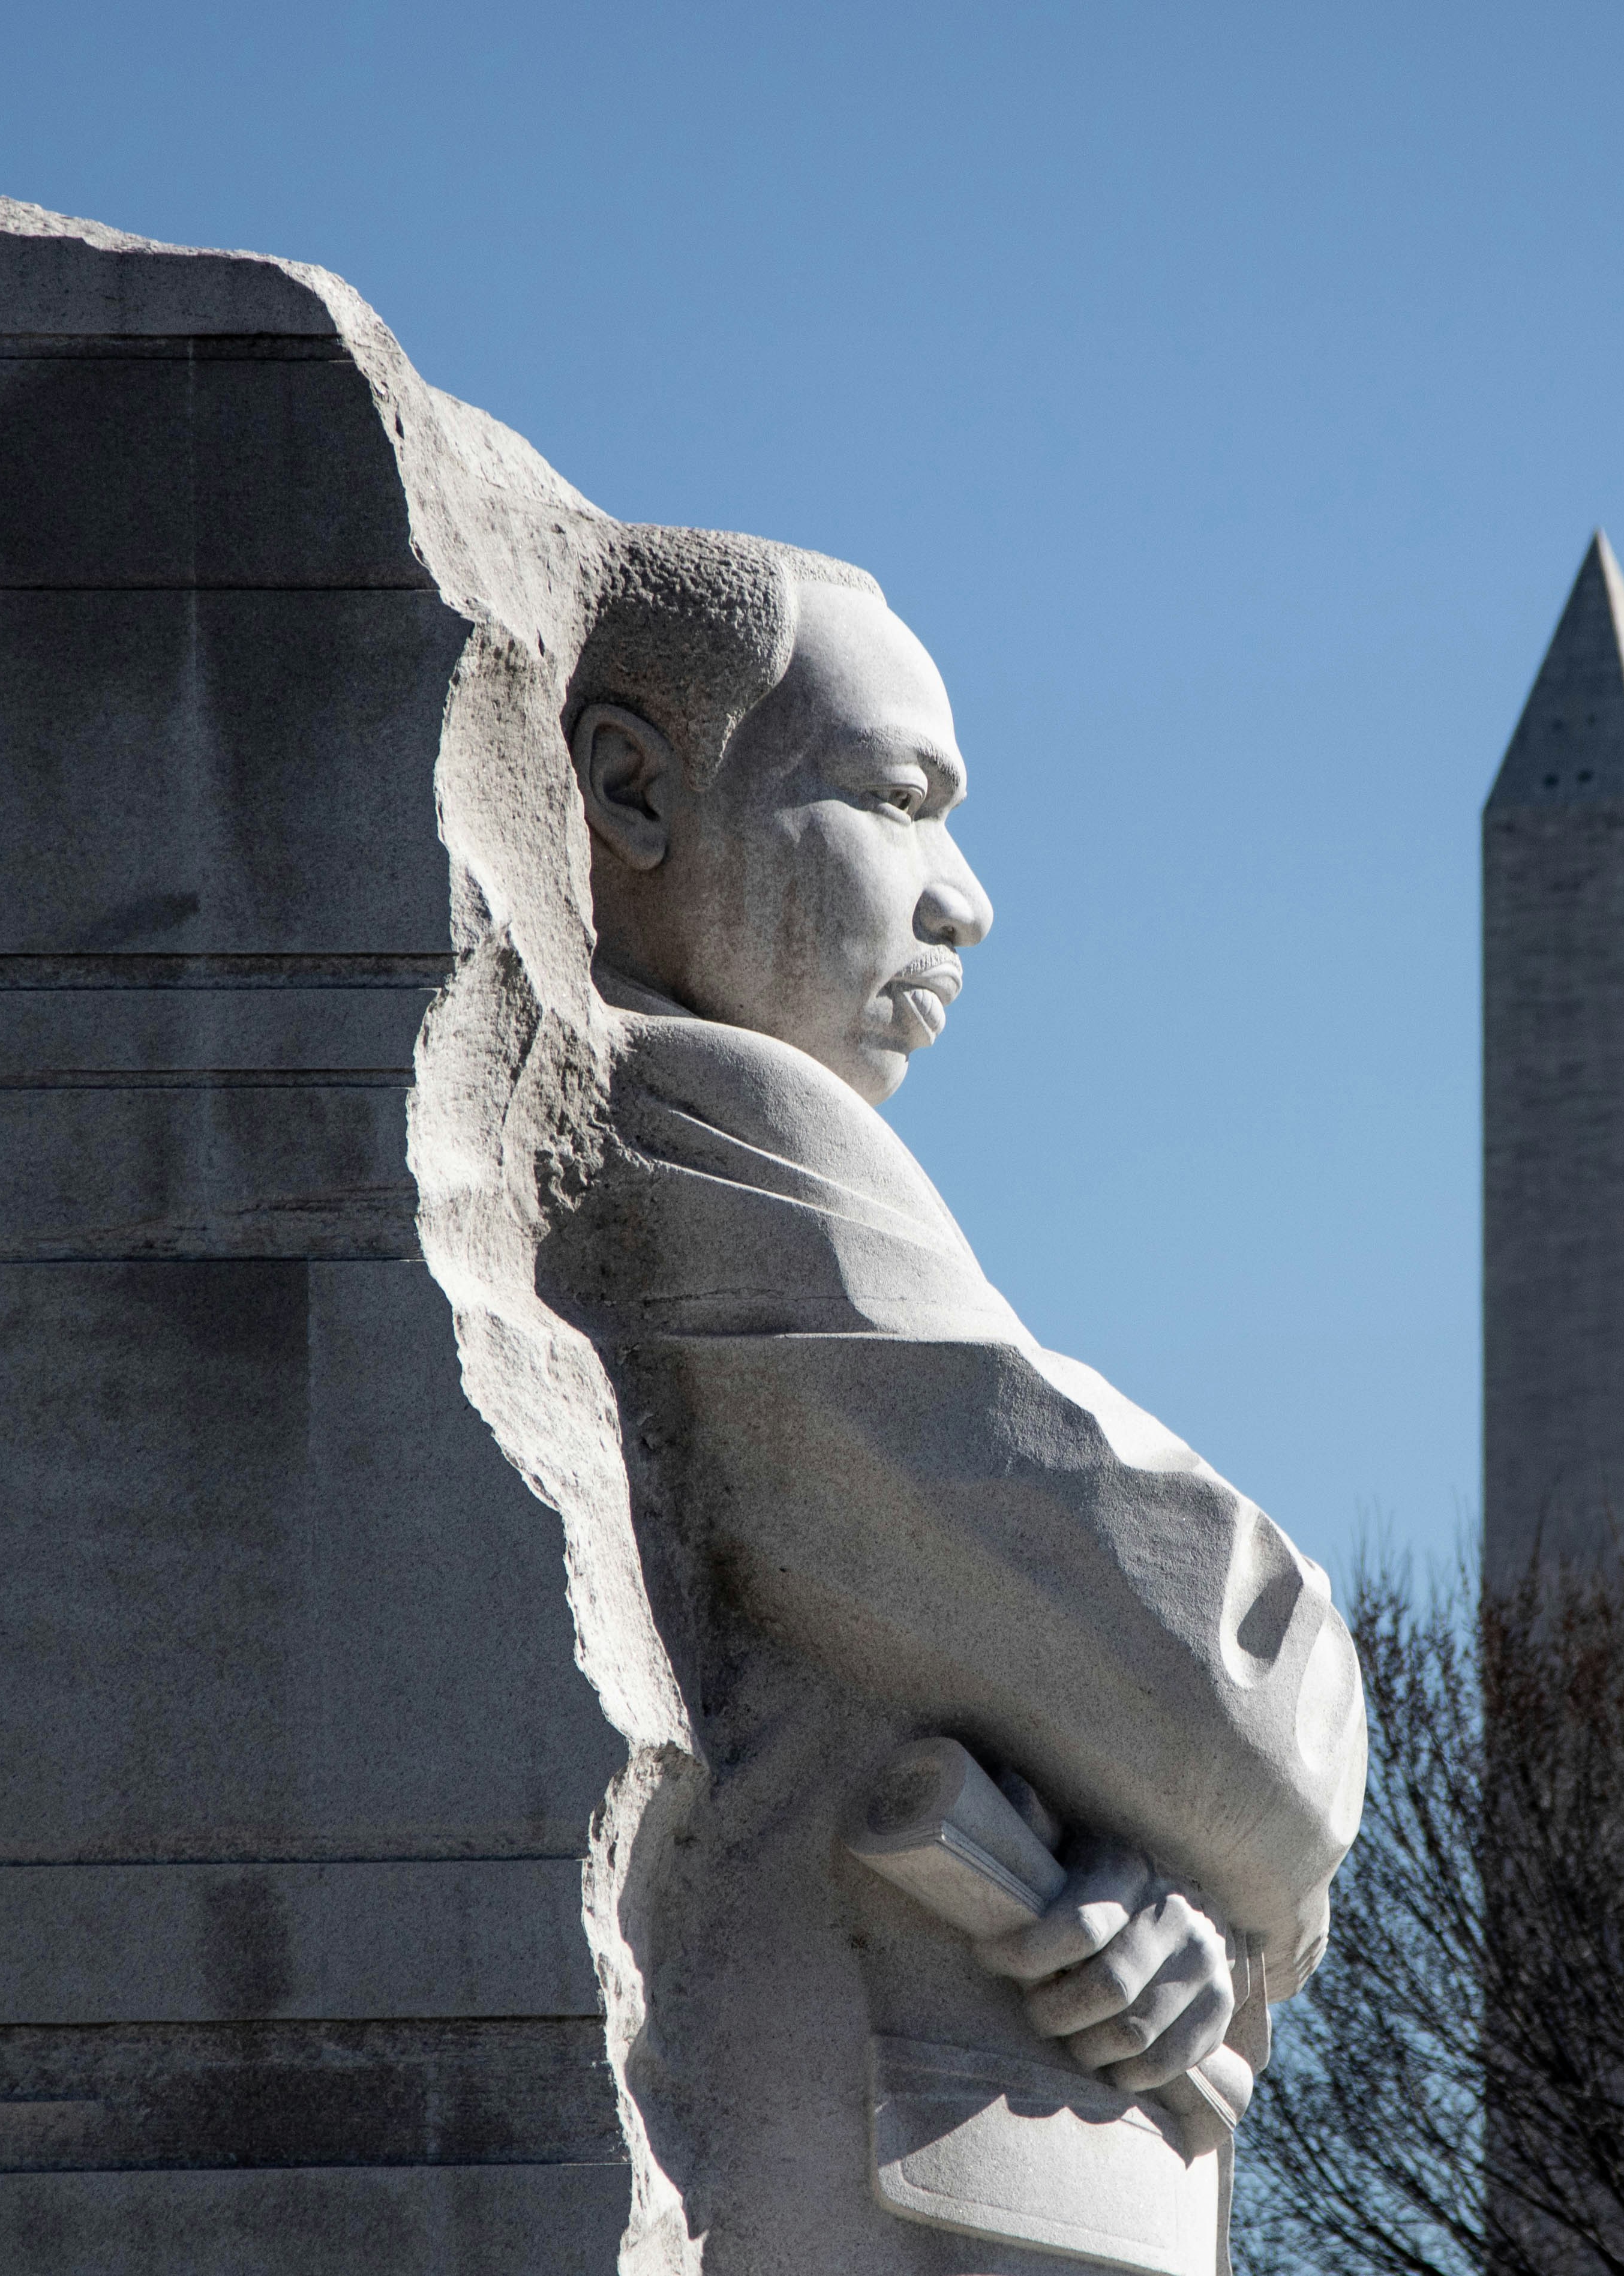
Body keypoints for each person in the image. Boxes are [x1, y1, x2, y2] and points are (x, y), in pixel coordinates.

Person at [526, 524, 1363, 2275]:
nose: (963, 892)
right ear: (630, 788)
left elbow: (1120, 1712)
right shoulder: (697, 1117)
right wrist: (1226, 1814)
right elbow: (1206, 1669)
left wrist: (1175, 1884)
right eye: (894, 797)